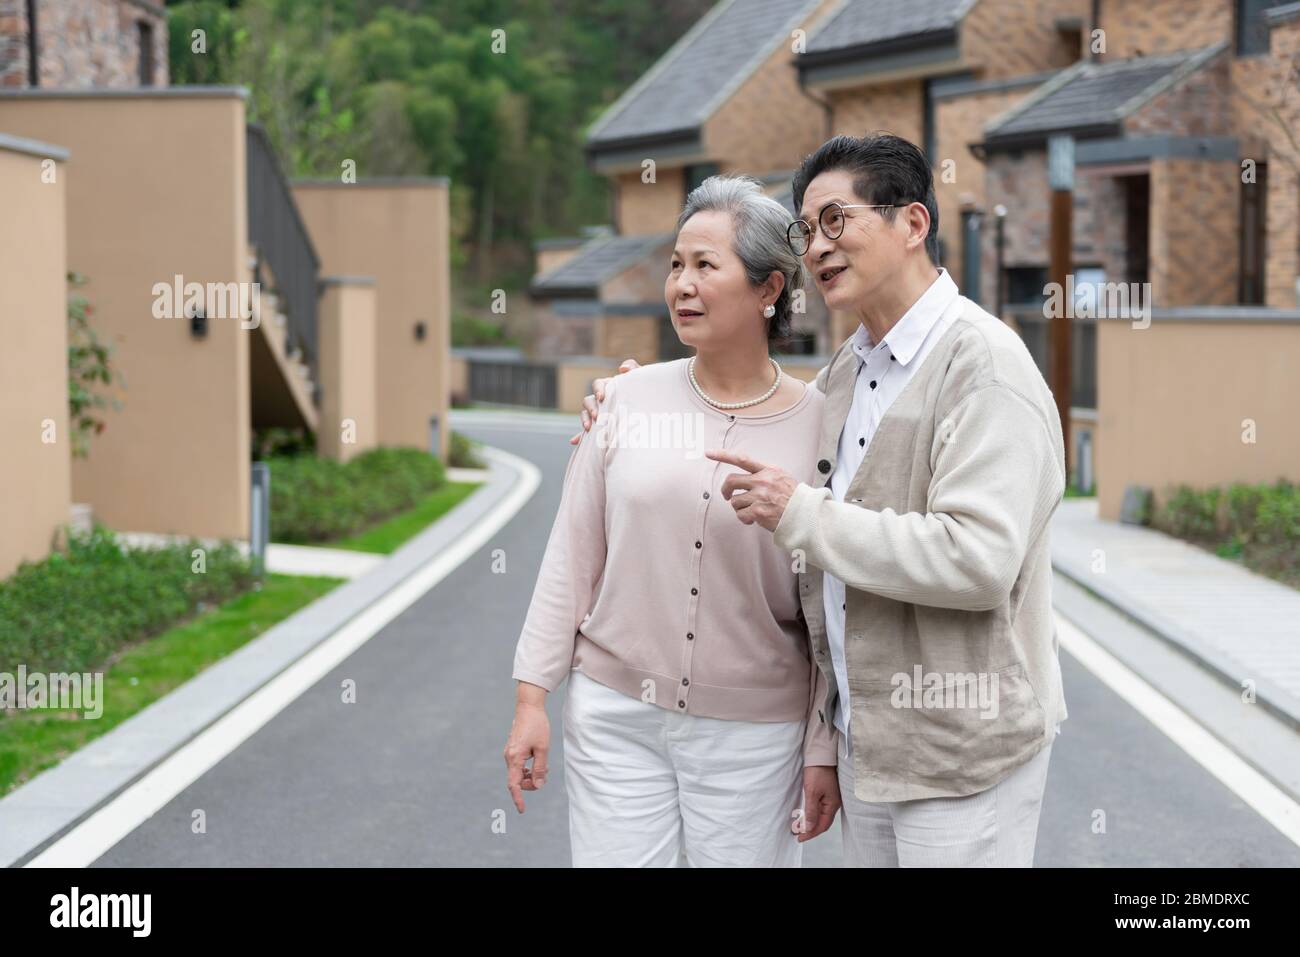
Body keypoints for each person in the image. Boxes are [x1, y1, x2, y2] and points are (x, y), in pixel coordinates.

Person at [575, 133, 1068, 867]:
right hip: (870, 743)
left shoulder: (982, 364)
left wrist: (802, 514)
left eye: (836, 220)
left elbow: (979, 559)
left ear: (912, 224)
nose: (817, 247)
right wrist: (637, 401)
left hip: (964, 750)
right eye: (807, 230)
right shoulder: (848, 374)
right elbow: (761, 438)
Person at [505, 175, 841, 867]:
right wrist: (531, 698)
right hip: (614, 716)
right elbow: (571, 559)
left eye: (705, 266)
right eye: (676, 264)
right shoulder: (624, 398)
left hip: (755, 734)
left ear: (769, 289)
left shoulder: (822, 427)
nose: (682, 284)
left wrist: (821, 746)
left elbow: (828, 610)